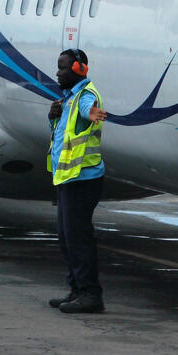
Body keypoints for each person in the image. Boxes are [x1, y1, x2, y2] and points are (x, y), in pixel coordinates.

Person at [46, 48, 109, 314]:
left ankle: (90, 294)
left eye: (62, 68)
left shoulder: (85, 96)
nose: (57, 73)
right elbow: (63, 134)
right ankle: (76, 289)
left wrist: (92, 114)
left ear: (78, 70)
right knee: (66, 236)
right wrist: (53, 117)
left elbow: (88, 111)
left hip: (84, 179)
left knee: (79, 237)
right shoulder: (68, 99)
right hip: (69, 178)